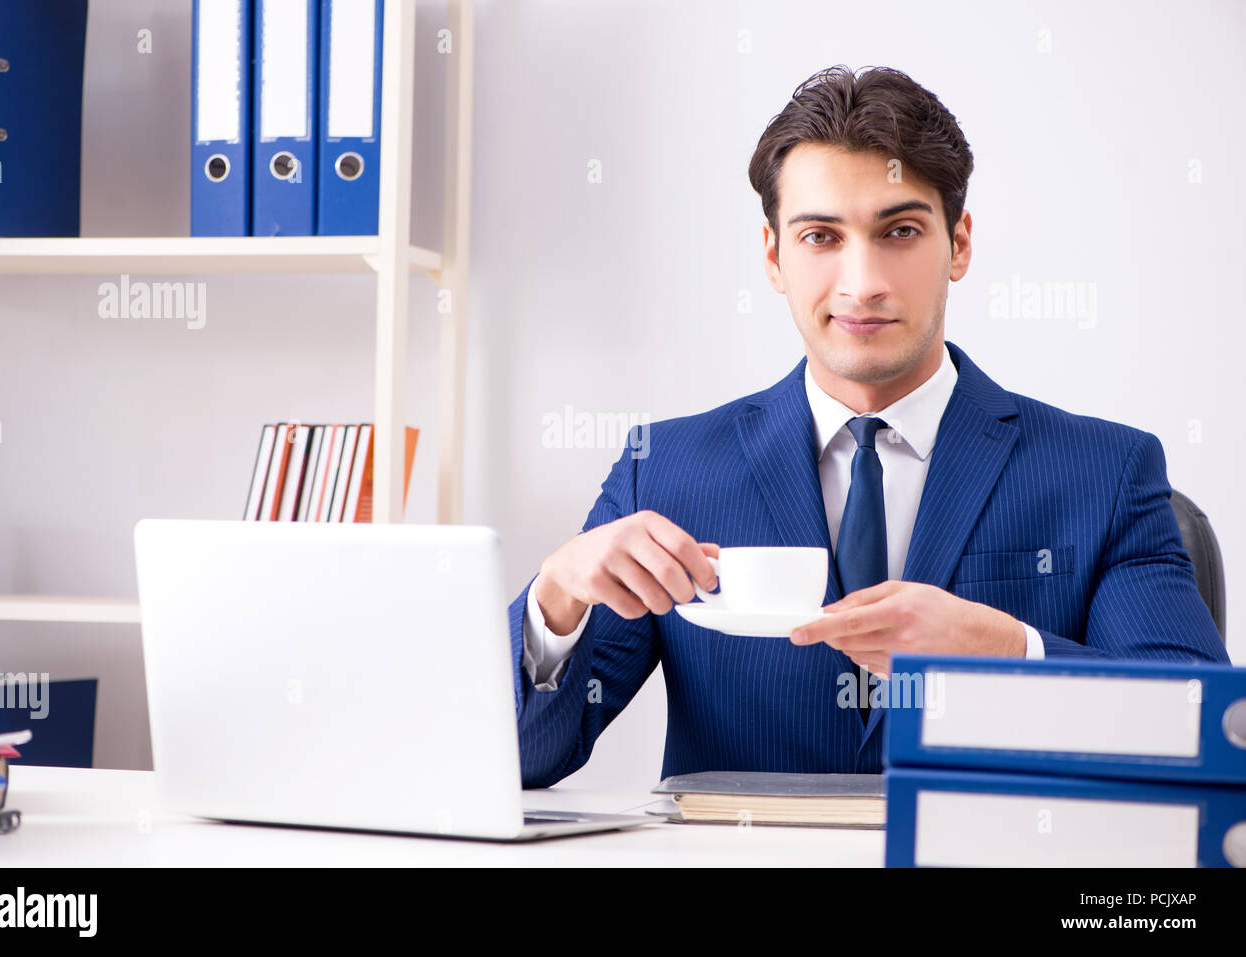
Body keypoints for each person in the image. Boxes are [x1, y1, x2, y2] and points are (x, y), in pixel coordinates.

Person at [508, 65, 1230, 789]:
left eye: (901, 230)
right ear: (773, 256)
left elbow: (1197, 729)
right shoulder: (663, 472)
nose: (863, 283)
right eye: (821, 236)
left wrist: (1010, 650)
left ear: (959, 244)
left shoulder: (1104, 471)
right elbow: (520, 757)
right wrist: (557, 594)